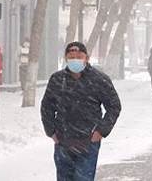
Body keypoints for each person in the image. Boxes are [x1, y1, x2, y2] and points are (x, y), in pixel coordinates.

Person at [40, 42, 122, 181]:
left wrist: (100, 131)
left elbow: (114, 106)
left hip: (88, 141)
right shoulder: (57, 79)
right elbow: (47, 106)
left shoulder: (99, 79)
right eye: (71, 56)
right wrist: (51, 131)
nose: (75, 59)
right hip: (63, 141)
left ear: (86, 58)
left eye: (79, 56)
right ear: (66, 58)